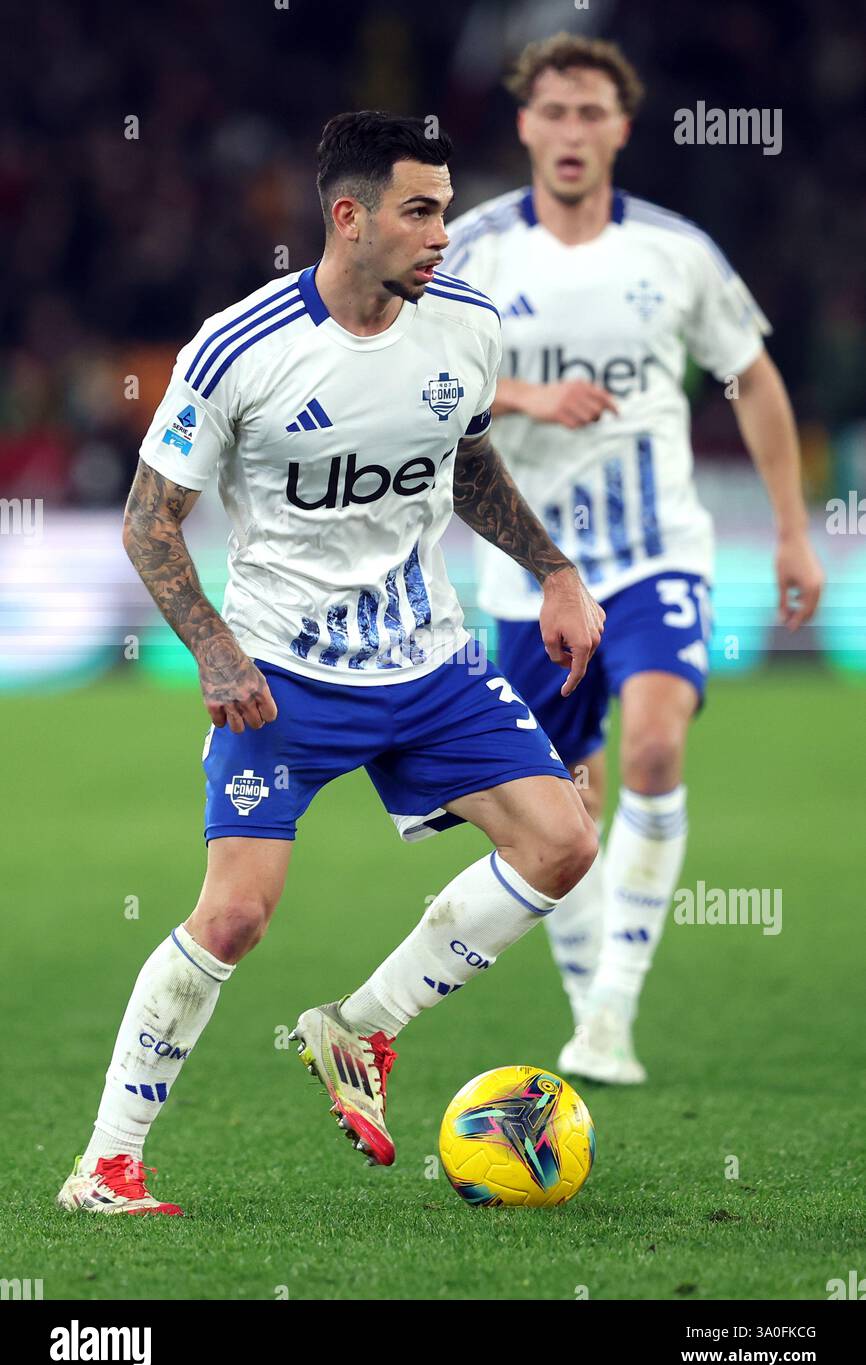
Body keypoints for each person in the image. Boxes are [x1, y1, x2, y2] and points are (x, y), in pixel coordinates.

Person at [56, 110, 604, 1215]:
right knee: (236, 915)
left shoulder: (462, 325)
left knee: (562, 843)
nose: (442, 233)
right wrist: (213, 652)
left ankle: (361, 1029)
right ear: (348, 218)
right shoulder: (239, 346)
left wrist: (551, 569)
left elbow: (464, 461)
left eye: (445, 209)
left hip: (428, 659)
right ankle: (105, 1164)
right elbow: (149, 522)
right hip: (282, 676)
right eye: (418, 210)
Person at [440, 35, 823, 1084]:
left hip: (657, 551)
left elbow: (753, 379)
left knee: (652, 749)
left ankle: (609, 1015)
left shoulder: (673, 251)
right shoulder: (470, 251)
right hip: (526, 570)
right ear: (523, 125)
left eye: (589, 112)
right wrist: (521, 396)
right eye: (552, 111)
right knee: (562, 808)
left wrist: (791, 527)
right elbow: (416, 378)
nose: (570, 131)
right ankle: (585, 1009)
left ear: (620, 126)